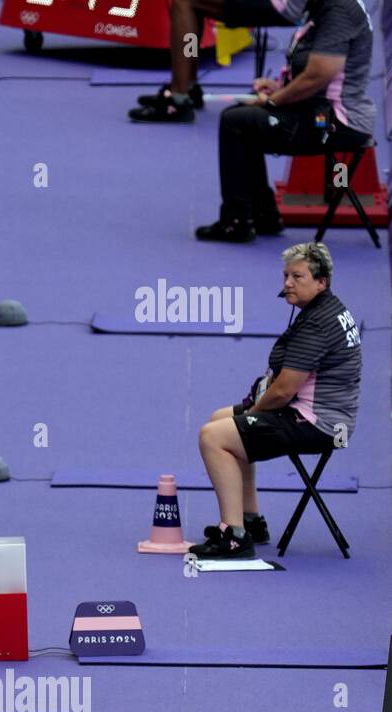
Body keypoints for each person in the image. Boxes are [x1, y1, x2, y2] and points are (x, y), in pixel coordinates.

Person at [191, 242, 361, 558]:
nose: (288, 283)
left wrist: (252, 414)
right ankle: (251, 520)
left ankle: (234, 537)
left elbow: (283, 391)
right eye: (286, 276)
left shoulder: (317, 325)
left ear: (321, 282)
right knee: (219, 419)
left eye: (298, 276)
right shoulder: (329, 308)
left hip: (317, 423)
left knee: (213, 437)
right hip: (327, 416)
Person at [195, 0, 376, 242]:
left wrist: (273, 101)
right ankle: (263, 215)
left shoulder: (339, 11)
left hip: (335, 121)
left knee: (236, 121)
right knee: (243, 117)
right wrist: (278, 87)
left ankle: (237, 221)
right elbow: (312, 72)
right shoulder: (323, 8)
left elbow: (318, 76)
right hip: (322, 110)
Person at [129, 0, 309, 123]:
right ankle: (187, 87)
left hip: (285, 5)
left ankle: (178, 99)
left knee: (185, 2)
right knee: (192, 5)